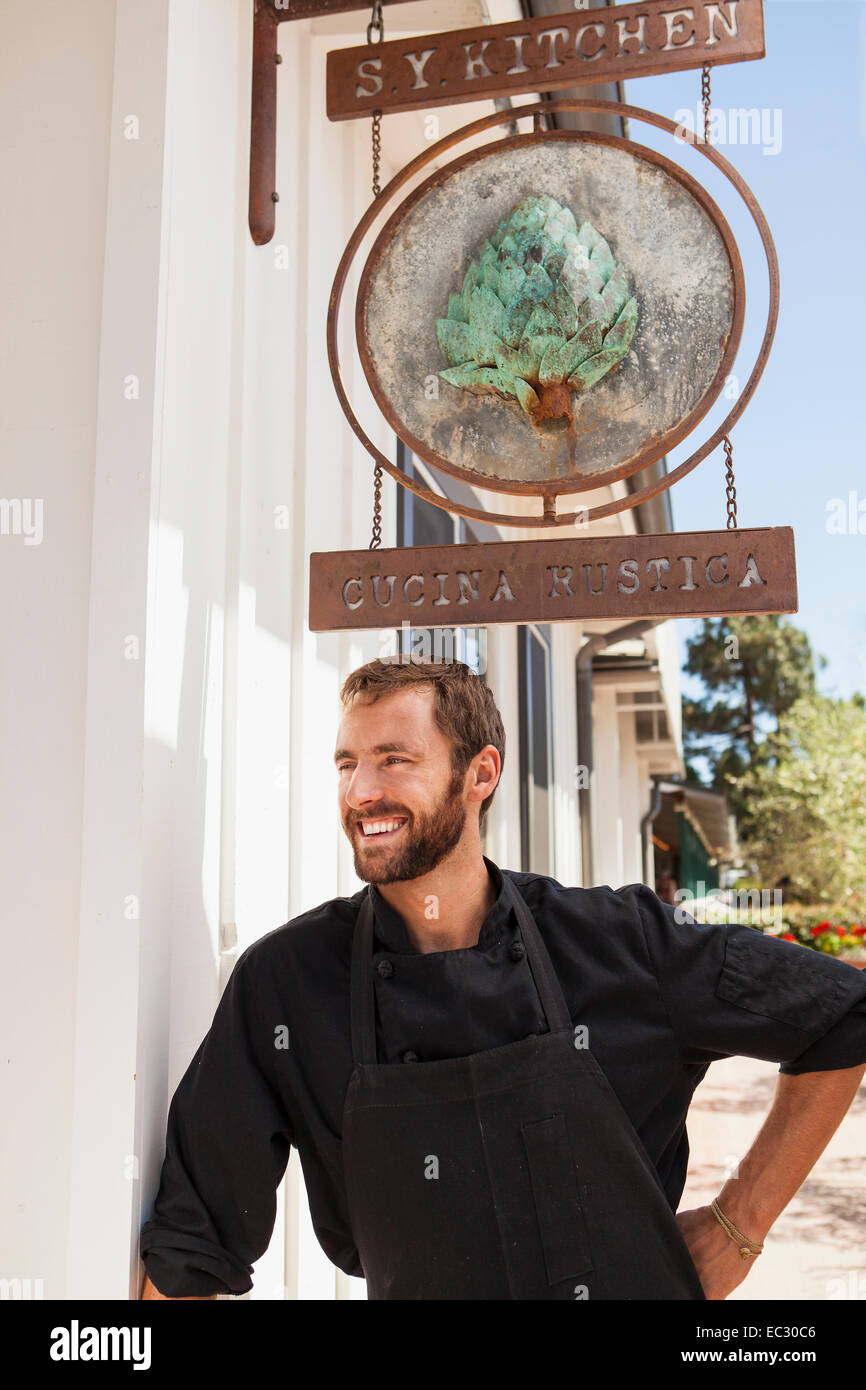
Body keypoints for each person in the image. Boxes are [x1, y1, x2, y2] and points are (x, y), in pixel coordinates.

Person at [140, 658, 866, 1301]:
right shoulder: (288, 983)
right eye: (346, 763)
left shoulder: (617, 941)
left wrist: (741, 1221)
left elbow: (840, 1013)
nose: (361, 790)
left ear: (480, 774)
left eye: (394, 759)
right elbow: (191, 1252)